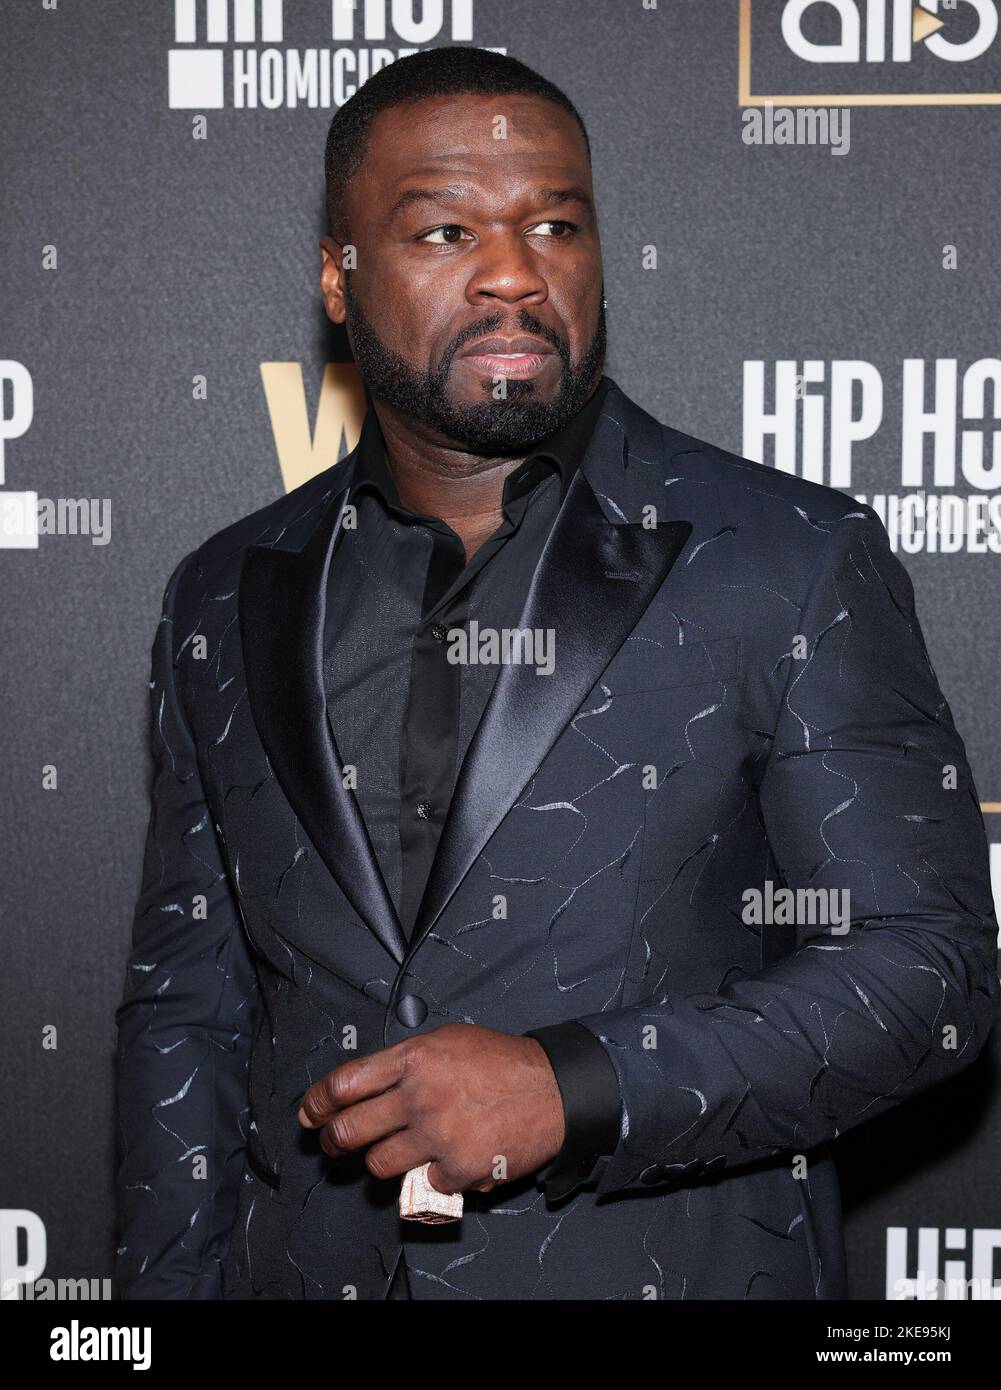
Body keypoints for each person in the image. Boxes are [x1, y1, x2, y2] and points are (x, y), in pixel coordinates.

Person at [114, 45, 1000, 1301]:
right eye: (441, 229)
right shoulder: (226, 587)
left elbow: (929, 973)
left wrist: (573, 1087)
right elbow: (186, 1012)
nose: (513, 273)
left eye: (553, 224)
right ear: (337, 277)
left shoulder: (786, 559)